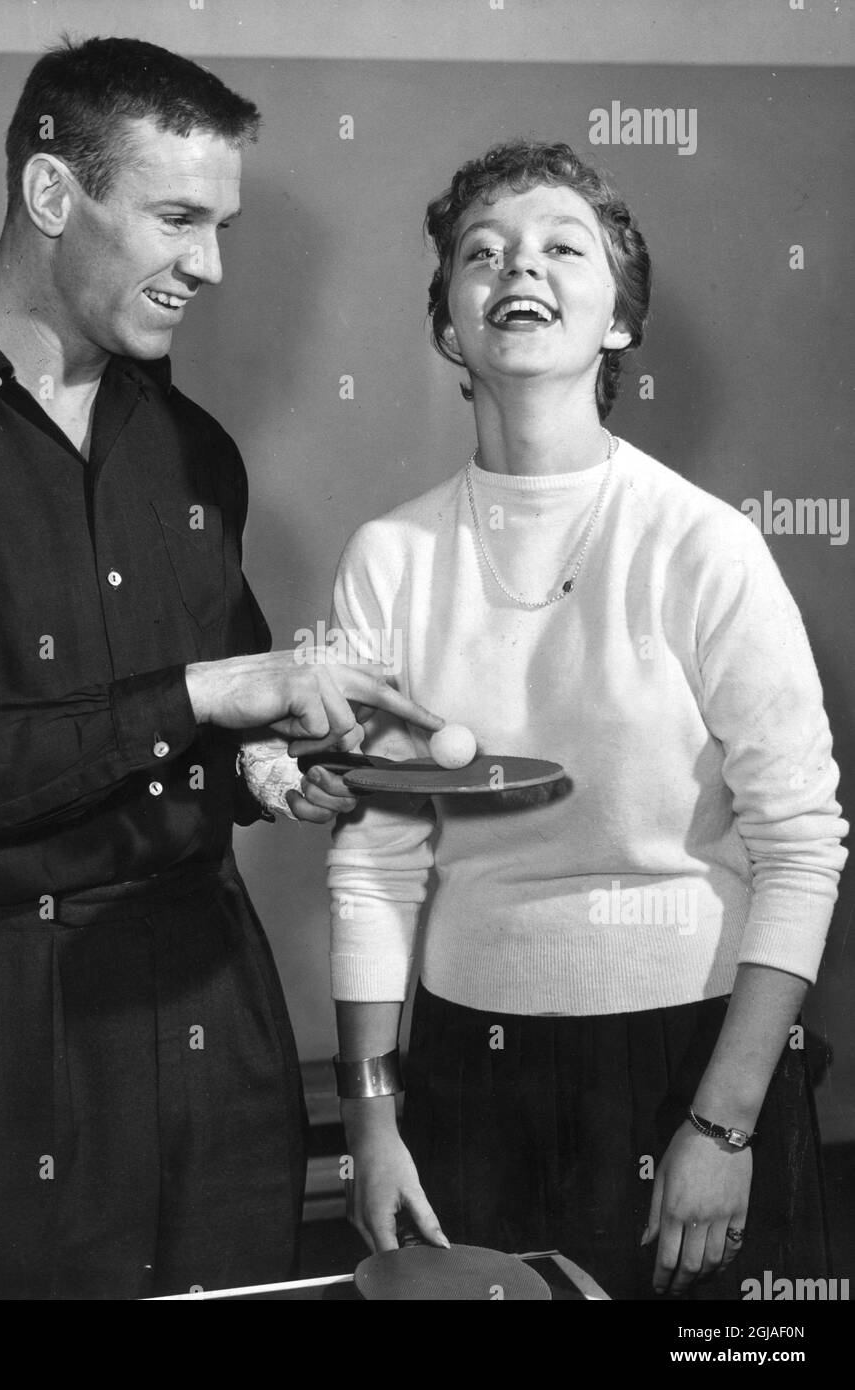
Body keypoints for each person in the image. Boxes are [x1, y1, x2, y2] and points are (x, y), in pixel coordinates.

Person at [0, 36, 438, 1300]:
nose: (209, 266)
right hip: (2, 1028)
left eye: (217, 224)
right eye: (178, 217)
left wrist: (283, 768)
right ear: (54, 195)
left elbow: (222, 746)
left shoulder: (192, 452)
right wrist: (204, 695)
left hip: (216, 1010)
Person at [326, 139, 847, 1300]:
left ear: (618, 320)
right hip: (467, 1079)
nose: (521, 266)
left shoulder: (703, 543)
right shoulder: (391, 558)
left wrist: (720, 1129)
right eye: (482, 252)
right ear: (450, 326)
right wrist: (372, 1118)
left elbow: (800, 846)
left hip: (691, 1062)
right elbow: (373, 865)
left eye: (563, 247)